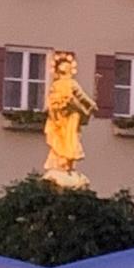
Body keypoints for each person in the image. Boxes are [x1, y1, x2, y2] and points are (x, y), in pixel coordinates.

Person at [42, 51, 97, 187]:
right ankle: (62, 162)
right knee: (62, 140)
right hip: (60, 118)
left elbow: (82, 96)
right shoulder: (57, 85)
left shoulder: (71, 84)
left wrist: (91, 104)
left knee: (70, 140)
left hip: (71, 117)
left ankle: (67, 162)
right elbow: (50, 103)